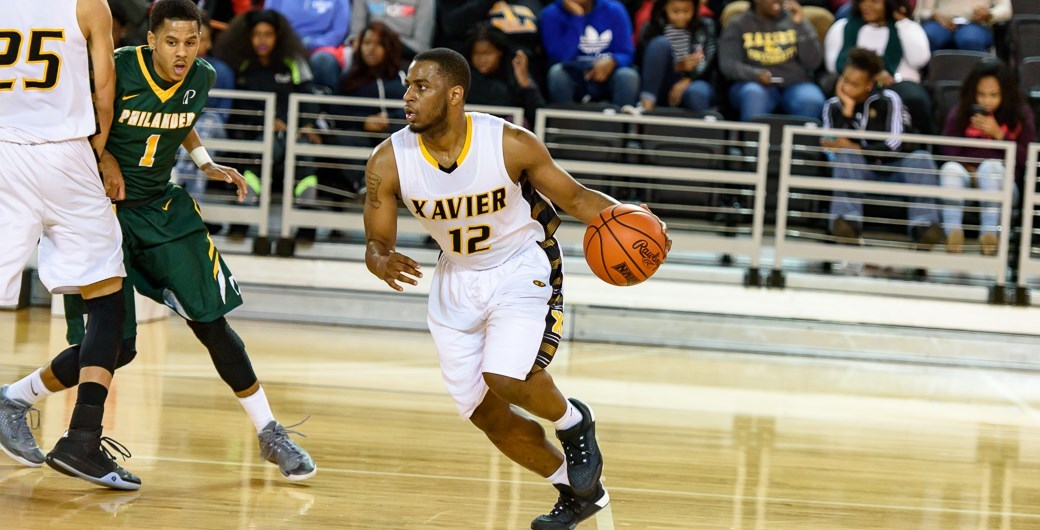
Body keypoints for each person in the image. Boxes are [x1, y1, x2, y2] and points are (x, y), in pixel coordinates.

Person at [0, 0, 317, 484]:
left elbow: (178, 115)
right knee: (112, 348)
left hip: (162, 212)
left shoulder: (202, 77)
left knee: (211, 320)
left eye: (191, 42)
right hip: (100, 210)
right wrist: (102, 160)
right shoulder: (120, 65)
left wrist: (206, 160)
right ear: (150, 40)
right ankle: (16, 398)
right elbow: (82, 114)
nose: (182, 52)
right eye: (172, 41)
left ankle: (269, 431)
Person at [363, 48, 670, 529]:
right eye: (408, 86)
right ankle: (575, 491)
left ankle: (574, 423)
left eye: (421, 87)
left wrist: (642, 221)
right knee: (487, 415)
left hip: (521, 262)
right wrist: (380, 259)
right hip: (456, 279)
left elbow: (576, 198)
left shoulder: (507, 143)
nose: (407, 96)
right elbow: (376, 240)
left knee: (505, 376)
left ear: (454, 94)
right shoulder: (389, 160)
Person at [0, 0, 137, 489]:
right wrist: (97, 155)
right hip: (64, 154)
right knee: (106, 299)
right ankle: (82, 440)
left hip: (3, 154)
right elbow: (105, 91)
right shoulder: (87, 5)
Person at [822, 48, 942, 244]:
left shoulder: (889, 100)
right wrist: (848, 111)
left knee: (922, 159)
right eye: (845, 80)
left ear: (869, 85)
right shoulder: (832, 106)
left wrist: (857, 148)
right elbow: (831, 150)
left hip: (893, 168)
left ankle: (925, 227)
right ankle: (846, 224)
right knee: (845, 156)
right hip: (859, 171)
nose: (846, 87)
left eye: (855, 84)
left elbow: (893, 144)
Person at [939, 59, 1035, 255]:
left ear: (1005, 94)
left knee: (990, 168)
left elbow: (1026, 158)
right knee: (949, 169)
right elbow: (947, 149)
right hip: (967, 174)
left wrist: (1000, 135)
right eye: (981, 95)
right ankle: (952, 233)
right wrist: (969, 170)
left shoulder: (1020, 114)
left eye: (994, 95)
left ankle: (989, 236)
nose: (986, 101)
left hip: (1005, 182)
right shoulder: (960, 112)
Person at [824, 0, 934, 134]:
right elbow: (832, 65)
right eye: (863, 1)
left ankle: (918, 146)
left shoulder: (906, 27)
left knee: (915, 99)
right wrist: (873, 76)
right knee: (834, 87)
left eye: (875, 2)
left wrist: (903, 24)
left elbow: (919, 60)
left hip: (897, 82)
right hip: (857, 82)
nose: (866, 5)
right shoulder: (843, 26)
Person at [718, 0, 826, 122]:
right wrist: (755, 74)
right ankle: (752, 140)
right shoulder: (738, 24)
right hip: (754, 83)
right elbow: (729, 64)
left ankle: (801, 141)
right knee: (754, 94)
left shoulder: (796, 21)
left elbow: (813, 62)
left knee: (811, 100)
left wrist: (801, 25)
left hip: (795, 84)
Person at [540, 0, 642, 107]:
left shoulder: (614, 10)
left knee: (628, 77)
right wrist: (578, 17)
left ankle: (622, 122)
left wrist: (613, 61)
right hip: (573, 73)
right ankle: (563, 123)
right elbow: (559, 57)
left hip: (608, 75)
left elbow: (627, 53)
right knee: (557, 74)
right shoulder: (551, 14)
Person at [637, 0, 718, 113]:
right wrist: (676, 67)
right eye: (675, 11)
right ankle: (646, 103)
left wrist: (689, 78)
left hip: (695, 80)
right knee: (660, 43)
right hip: (662, 81)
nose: (681, 16)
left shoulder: (705, 25)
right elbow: (644, 62)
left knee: (697, 92)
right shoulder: (652, 27)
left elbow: (710, 58)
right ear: (665, 7)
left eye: (686, 11)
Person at [465, 23, 546, 125]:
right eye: (477, 54)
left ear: (500, 52)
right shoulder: (465, 76)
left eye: (487, 53)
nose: (482, 60)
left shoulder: (515, 71)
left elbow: (539, 116)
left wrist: (525, 85)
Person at [917, 0, 1010, 52]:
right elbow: (923, 11)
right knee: (930, 36)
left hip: (976, 23)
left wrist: (989, 14)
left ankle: (975, 83)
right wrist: (934, 15)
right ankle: (928, 81)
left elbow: (1006, 10)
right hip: (942, 22)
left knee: (969, 39)